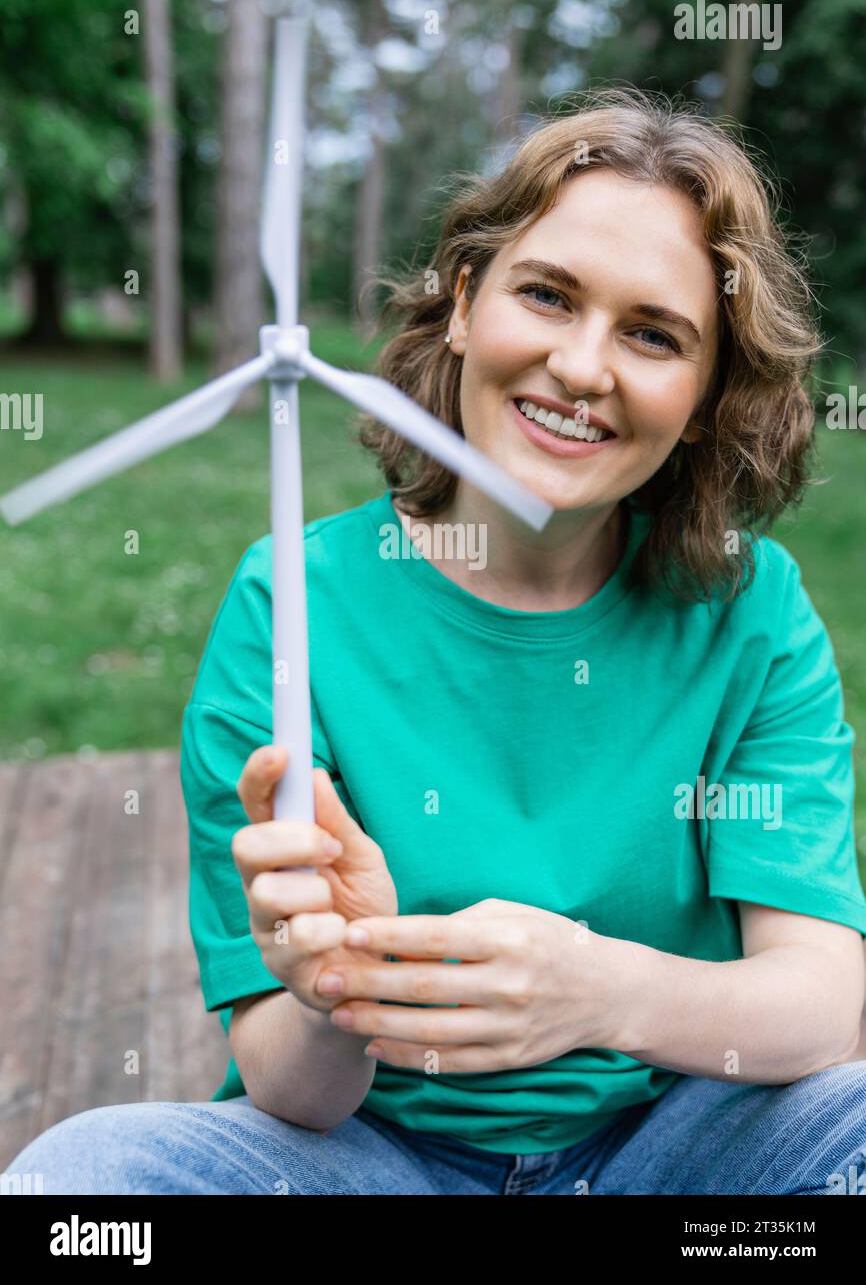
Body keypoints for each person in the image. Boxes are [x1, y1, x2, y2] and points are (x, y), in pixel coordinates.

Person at [6, 88, 866, 1196]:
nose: (581, 368)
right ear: (463, 303)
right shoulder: (294, 602)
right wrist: (331, 990)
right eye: (545, 296)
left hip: (672, 1158)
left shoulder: (750, 611)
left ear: (702, 397)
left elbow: (818, 1005)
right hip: (376, 1162)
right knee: (80, 1184)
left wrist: (592, 990)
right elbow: (290, 1084)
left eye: (652, 335)